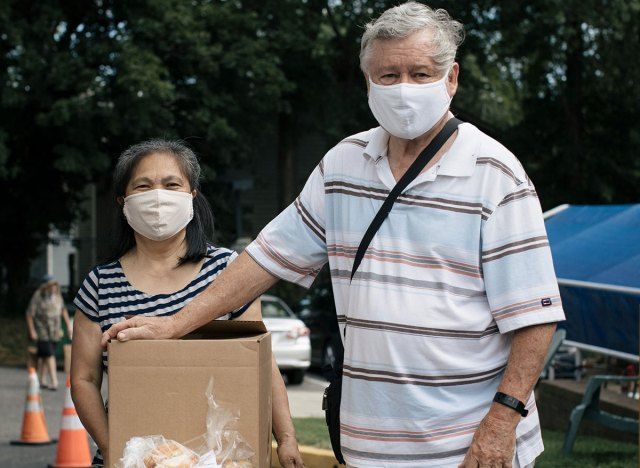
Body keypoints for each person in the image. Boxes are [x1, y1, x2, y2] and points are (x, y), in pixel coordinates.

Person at [103, 3, 566, 467]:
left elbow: (535, 316)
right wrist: (176, 324)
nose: (404, 88)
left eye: (421, 73)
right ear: (368, 81)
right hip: (368, 449)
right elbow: (266, 259)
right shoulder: (343, 165)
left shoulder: (495, 174)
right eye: (388, 75)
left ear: (452, 79)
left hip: (466, 447)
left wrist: (502, 421)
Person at [70, 140, 304, 467]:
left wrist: (288, 439)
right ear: (123, 200)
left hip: (221, 457)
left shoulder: (227, 271)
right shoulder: (100, 284)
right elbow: (84, 379)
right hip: (132, 459)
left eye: (171, 184)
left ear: (192, 194)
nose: (158, 196)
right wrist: (112, 448)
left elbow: (262, 363)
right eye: (143, 185)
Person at [26, 275, 72, 390]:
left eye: (55, 285)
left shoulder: (57, 296)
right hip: (42, 330)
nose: (54, 288)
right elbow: (30, 314)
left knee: (44, 355)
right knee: (49, 354)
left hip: (55, 330)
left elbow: (63, 310)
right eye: (51, 285)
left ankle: (41, 380)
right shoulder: (38, 296)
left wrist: (68, 325)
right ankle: (54, 381)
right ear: (45, 286)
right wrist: (32, 330)